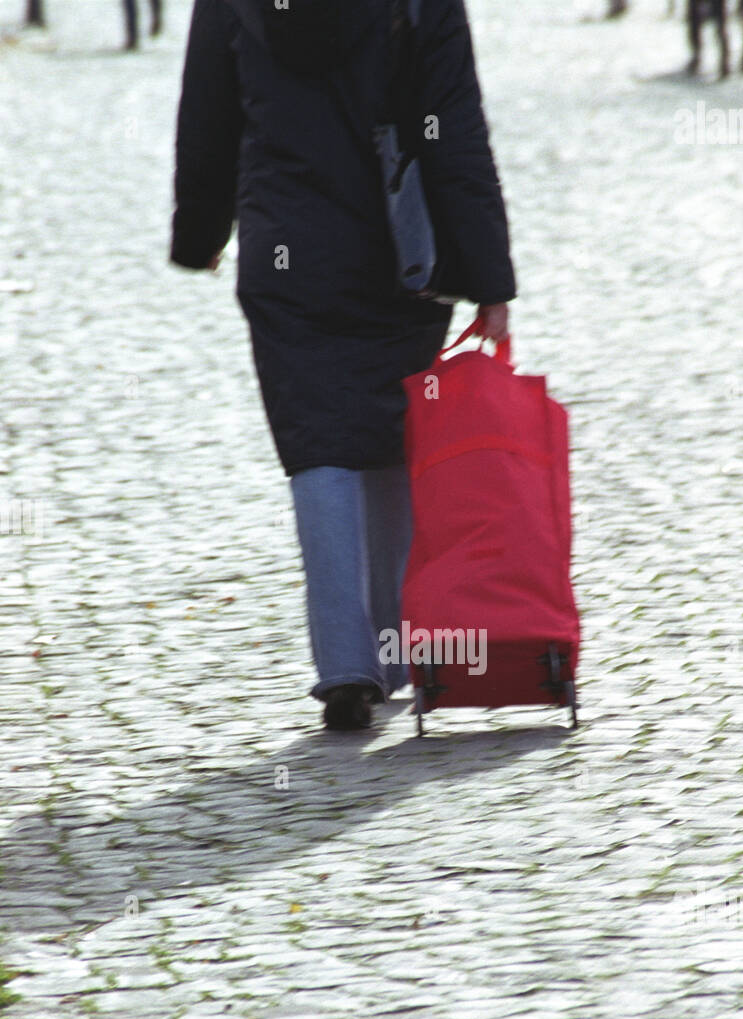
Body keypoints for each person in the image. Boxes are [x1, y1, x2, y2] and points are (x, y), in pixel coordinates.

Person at [171, 0, 516, 730]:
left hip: (286, 245)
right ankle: (394, 651)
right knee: (391, 428)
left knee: (317, 443)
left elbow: (208, 114)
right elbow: (452, 126)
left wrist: (200, 232)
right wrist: (488, 276)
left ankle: (344, 665)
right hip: (402, 244)